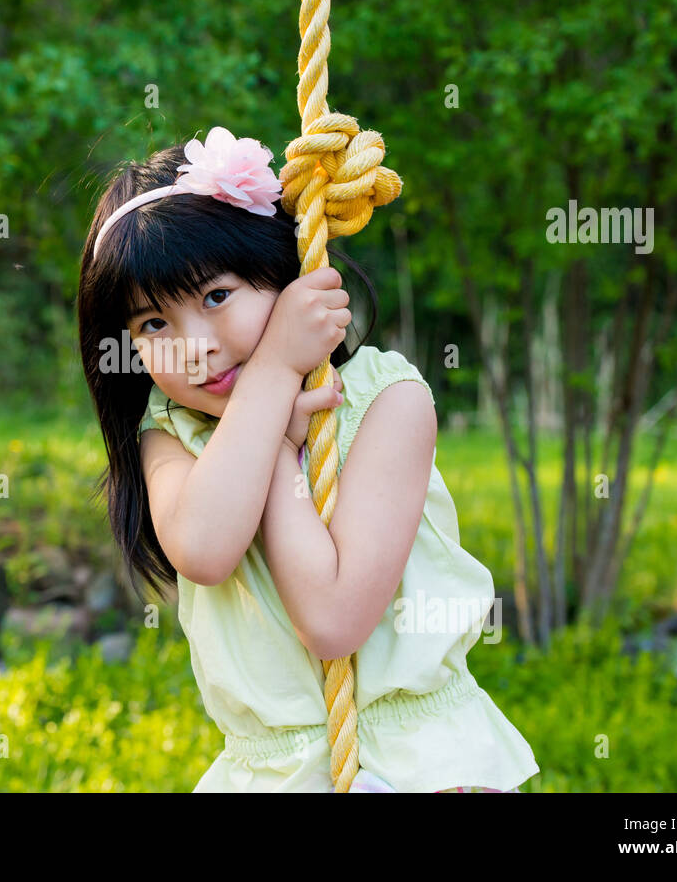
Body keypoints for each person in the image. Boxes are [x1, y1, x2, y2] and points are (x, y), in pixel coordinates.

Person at [77, 126, 539, 792]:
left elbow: (333, 620)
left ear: (286, 274)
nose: (195, 346)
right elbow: (204, 546)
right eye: (153, 324)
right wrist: (272, 379)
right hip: (271, 775)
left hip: (415, 765)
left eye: (216, 296)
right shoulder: (169, 432)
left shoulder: (387, 400)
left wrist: (287, 453)